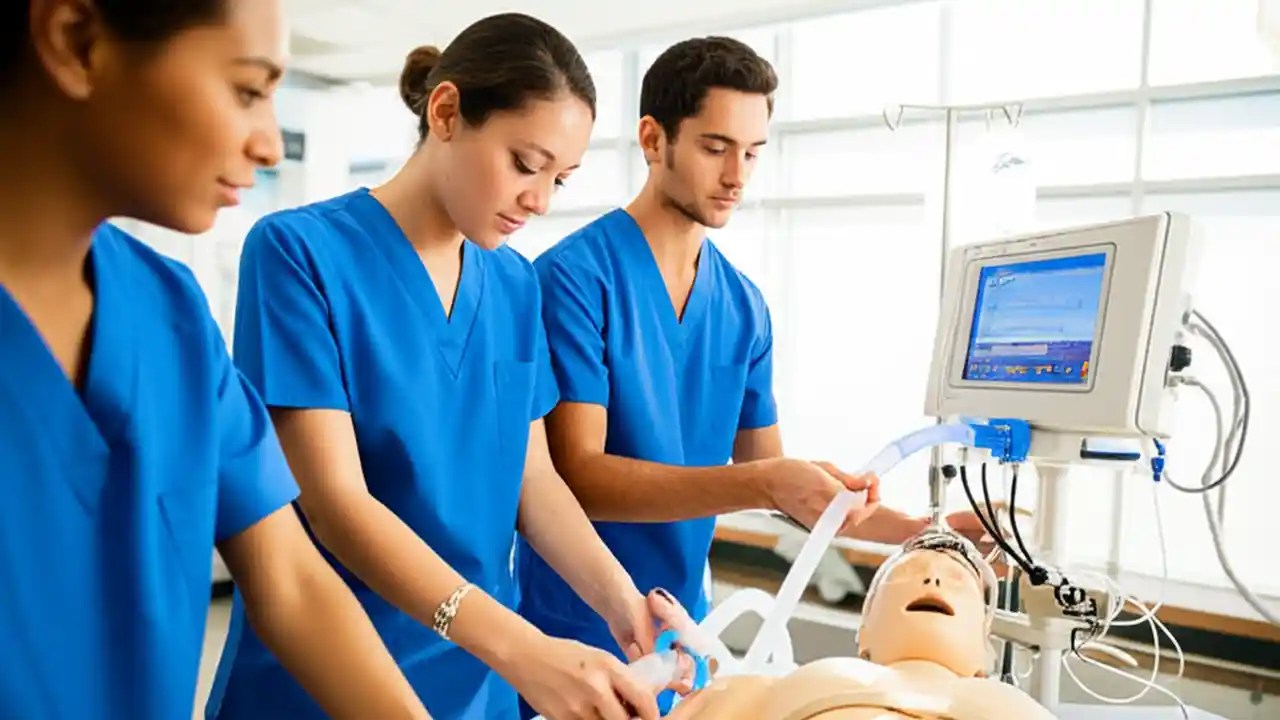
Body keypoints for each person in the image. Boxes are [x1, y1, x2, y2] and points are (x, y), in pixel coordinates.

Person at [206, 12, 686, 720]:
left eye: (561, 177)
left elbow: (533, 480)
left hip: (476, 682)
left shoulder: (515, 285)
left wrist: (625, 606)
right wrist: (522, 649)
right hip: (330, 677)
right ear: (447, 111)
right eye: (526, 163)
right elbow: (337, 507)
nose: (540, 200)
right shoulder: (299, 254)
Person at [517, 36, 986, 715]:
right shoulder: (574, 281)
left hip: (685, 638)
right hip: (576, 634)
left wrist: (919, 532)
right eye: (715, 147)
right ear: (653, 140)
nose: (738, 174)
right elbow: (578, 478)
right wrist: (764, 480)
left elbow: (786, 491)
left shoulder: (742, 307)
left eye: (754, 151)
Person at [0, 1, 430, 719]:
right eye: (247, 90)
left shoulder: (167, 313)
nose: (268, 145)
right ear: (77, 42)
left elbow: (290, 581)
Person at [664, 527, 1057, 719]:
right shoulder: (761, 691)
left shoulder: (1016, 709)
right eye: (909, 573)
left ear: (984, 653)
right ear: (862, 632)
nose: (933, 580)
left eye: (957, 582)